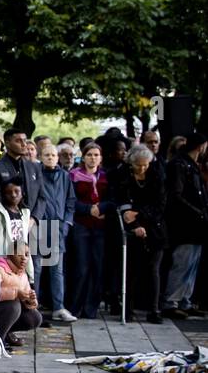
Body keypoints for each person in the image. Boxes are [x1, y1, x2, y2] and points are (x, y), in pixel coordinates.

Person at [110, 144, 167, 323]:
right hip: (130, 228)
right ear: (131, 163)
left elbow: (160, 204)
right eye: (138, 165)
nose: (142, 168)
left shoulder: (157, 176)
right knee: (130, 270)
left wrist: (140, 214)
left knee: (153, 270)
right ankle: (128, 308)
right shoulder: (123, 177)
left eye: (145, 165)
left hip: (155, 228)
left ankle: (154, 309)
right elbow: (122, 205)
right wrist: (135, 224)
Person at [163, 132, 208, 318]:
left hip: (196, 224)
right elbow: (176, 194)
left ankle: (185, 300)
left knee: (192, 262)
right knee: (182, 261)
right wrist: (197, 212)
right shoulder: (179, 165)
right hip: (185, 223)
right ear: (201, 146)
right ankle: (171, 301)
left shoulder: (192, 165)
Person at [67, 142, 110, 319]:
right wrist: (88, 209)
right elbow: (70, 200)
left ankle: (91, 308)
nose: (93, 158)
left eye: (96, 155)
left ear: (100, 158)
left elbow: (113, 198)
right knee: (81, 267)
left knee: (97, 266)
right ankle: (75, 306)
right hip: (81, 224)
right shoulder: (73, 176)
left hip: (100, 226)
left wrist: (102, 209)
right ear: (83, 157)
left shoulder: (105, 177)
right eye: (90, 154)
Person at [36, 142, 78, 323]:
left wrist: (67, 223)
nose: (50, 158)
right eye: (47, 155)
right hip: (38, 226)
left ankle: (58, 307)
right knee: (36, 269)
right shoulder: (35, 175)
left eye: (53, 155)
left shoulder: (65, 176)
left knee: (57, 270)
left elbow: (71, 201)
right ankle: (33, 306)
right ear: (41, 157)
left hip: (58, 227)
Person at [0, 248, 43, 347]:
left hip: (9, 312)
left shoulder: (23, 273)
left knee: (35, 317)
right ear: (9, 255)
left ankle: (6, 333)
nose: (24, 258)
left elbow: (26, 295)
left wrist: (31, 301)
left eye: (27, 255)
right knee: (14, 306)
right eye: (19, 254)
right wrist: (15, 293)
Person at [0, 128, 44, 215]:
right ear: (7, 143)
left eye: (25, 140)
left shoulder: (34, 167)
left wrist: (34, 219)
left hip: (32, 222)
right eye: (18, 141)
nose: (24, 144)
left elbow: (42, 197)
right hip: (7, 221)